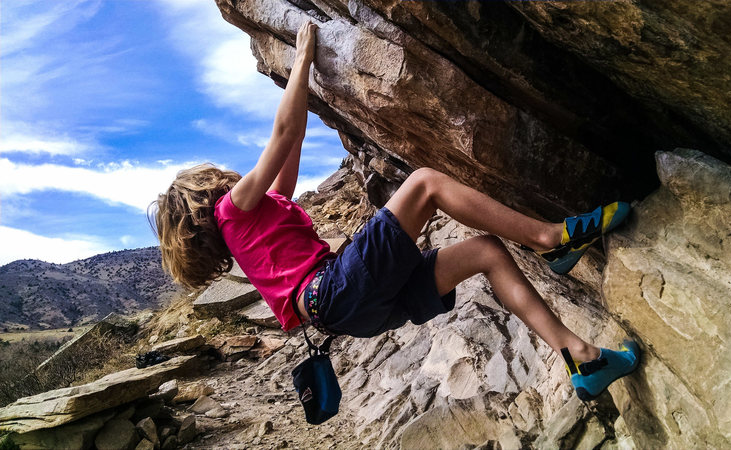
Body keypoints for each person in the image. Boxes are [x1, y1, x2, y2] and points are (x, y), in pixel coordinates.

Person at [149, 20, 639, 402]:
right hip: (337, 289)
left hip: (352, 313)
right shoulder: (233, 212)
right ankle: (550, 239)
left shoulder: (258, 216)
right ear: (208, 193)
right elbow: (280, 136)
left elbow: (291, 138)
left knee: (487, 253)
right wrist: (300, 59)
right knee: (425, 183)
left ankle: (583, 358)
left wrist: (304, 83)